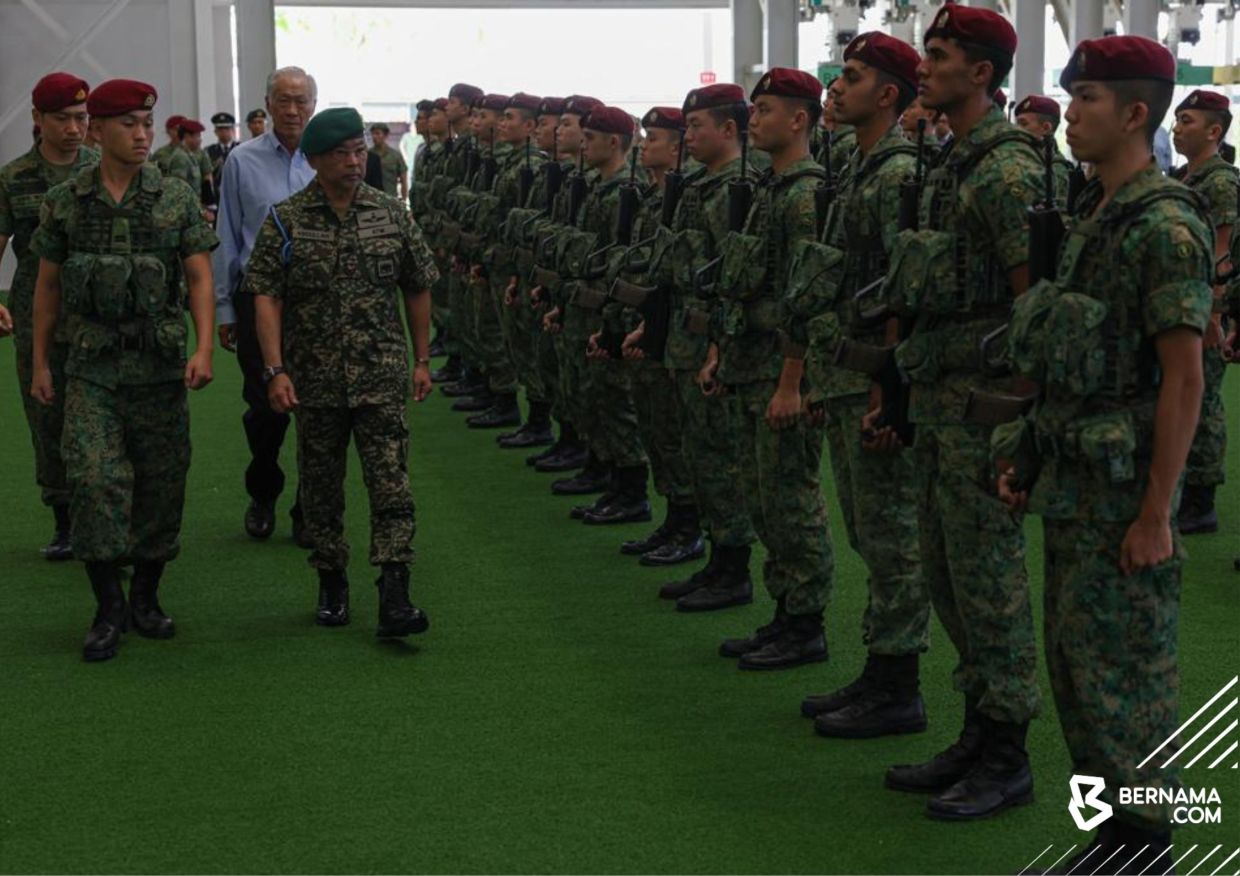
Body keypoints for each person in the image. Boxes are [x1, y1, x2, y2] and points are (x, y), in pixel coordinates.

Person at [998, 36, 1212, 874]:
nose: (1070, 114)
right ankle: (1117, 837)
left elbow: (1184, 381)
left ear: (1134, 113)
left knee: (1133, 677)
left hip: (1126, 493)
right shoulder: (1091, 213)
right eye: (1069, 96)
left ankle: (1149, 845)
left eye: (1086, 98)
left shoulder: (1162, 224)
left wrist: (1159, 511)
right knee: (1081, 668)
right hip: (1078, 483)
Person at [881, 5, 1042, 821]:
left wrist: (1016, 425)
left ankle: (1008, 748)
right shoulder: (951, 164)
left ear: (981, 73)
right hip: (942, 405)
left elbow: (1031, 310)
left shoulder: (1007, 172)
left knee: (989, 583)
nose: (924, 65)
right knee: (947, 574)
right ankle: (978, 731)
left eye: (938, 54)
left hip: (983, 411)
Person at [28, 78, 217, 662]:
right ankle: (108, 605)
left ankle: (147, 597)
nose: (141, 135)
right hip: (91, 370)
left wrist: (203, 347)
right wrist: (39, 362)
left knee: (162, 484)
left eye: (146, 124)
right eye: (129, 125)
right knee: (92, 478)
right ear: (100, 130)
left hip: (159, 370)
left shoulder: (174, 195)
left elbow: (198, 276)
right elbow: (49, 286)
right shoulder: (66, 200)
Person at [246, 107, 436, 639]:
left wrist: (422, 359)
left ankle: (395, 590)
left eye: (358, 151)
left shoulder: (391, 214)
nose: (354, 162)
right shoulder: (287, 219)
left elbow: (418, 283)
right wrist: (275, 369)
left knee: (391, 483)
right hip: (315, 380)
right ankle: (331, 579)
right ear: (313, 160)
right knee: (321, 486)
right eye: (340, 154)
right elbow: (267, 295)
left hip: (381, 374)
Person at [794, 33, 931, 738]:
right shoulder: (856, 164)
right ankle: (881, 669)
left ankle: (899, 683)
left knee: (892, 534)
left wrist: (888, 390)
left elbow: (899, 299)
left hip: (873, 380)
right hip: (845, 372)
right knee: (868, 530)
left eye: (850, 77)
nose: (834, 88)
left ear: (887, 95)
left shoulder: (897, 175)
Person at [705, 68, 834, 670]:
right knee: (762, 496)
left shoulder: (806, 194)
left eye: (765, 111)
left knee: (791, 499)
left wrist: (792, 382)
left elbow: (805, 298)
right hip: (752, 363)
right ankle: (785, 613)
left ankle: (806, 623)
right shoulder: (769, 188)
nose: (753, 120)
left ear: (799, 119)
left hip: (782, 371)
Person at [657, 83, 757, 607]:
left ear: (728, 129)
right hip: (687, 335)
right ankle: (717, 558)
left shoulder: (741, 190)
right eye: (687, 126)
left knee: (722, 459)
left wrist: (719, 348)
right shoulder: (699, 186)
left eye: (698, 126)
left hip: (715, 343)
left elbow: (735, 280)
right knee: (699, 453)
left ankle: (734, 568)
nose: (688, 134)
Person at [214, 66, 317, 542]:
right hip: (259, 301)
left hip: (319, 304)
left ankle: (310, 508)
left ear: (313, 104)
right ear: (268, 105)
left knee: (319, 414)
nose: (292, 109)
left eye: (301, 100)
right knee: (266, 412)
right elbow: (228, 237)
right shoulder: (241, 160)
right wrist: (226, 310)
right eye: (283, 100)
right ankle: (264, 491)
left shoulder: (330, 156)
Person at [0, 72, 98, 560]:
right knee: (48, 417)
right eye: (62, 118)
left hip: (99, 319)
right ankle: (63, 521)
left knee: (102, 421)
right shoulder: (14, 178)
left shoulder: (105, 168)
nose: (74, 128)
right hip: (38, 318)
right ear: (38, 119)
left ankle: (100, 517)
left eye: (81, 118)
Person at [608, 106, 705, 564]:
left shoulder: (689, 195)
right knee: (657, 429)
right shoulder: (653, 195)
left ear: (679, 147)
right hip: (652, 322)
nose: (646, 146)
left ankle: (689, 527)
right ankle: (673, 518)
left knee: (677, 433)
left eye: (656, 138)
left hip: (680, 333)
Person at [1170, 89, 1236, 535]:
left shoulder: (1220, 181)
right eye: (1177, 119)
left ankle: (1201, 499)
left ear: (1214, 131)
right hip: (1184, 304)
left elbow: (1222, 254)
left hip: (1206, 307)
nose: (1177, 127)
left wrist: (1212, 317)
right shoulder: (1184, 178)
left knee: (1204, 401)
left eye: (1188, 120)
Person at [1013, 94, 1074, 201]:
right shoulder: (1026, 155)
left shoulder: (1055, 170)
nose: (1016, 130)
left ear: (1046, 128)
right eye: (1016, 124)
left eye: (1023, 124)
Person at [368, 122, 408, 201]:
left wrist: (403, 200)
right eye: (373, 134)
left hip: (390, 199)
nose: (374, 137)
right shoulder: (368, 155)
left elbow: (404, 180)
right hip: (372, 200)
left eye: (378, 134)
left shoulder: (395, 156)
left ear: (386, 135)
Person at [206, 112, 237, 204]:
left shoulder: (241, 149)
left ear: (233, 130)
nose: (224, 132)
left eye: (227, 129)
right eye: (220, 129)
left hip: (237, 194)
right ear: (215, 132)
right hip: (216, 197)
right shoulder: (208, 151)